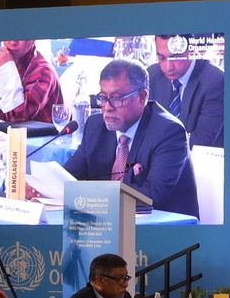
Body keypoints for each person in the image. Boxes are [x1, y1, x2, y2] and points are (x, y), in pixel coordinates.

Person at [62, 59, 200, 219]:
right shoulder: (95, 126)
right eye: (104, 97)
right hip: (108, 223)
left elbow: (153, 196)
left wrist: (93, 198)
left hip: (162, 230)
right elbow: (70, 176)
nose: (107, 107)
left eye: (117, 98)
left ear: (142, 97)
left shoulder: (169, 132)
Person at [148, 35, 224, 146]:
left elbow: (201, 140)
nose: (168, 67)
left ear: (192, 49)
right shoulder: (152, 75)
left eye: (175, 57)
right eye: (162, 58)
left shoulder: (215, 81)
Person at [0, 38, 64, 124]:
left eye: (20, 37)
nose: (13, 42)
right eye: (7, 36)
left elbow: (18, 117)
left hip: (38, 136)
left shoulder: (43, 71)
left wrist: (7, 69)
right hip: (0, 133)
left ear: (33, 39)